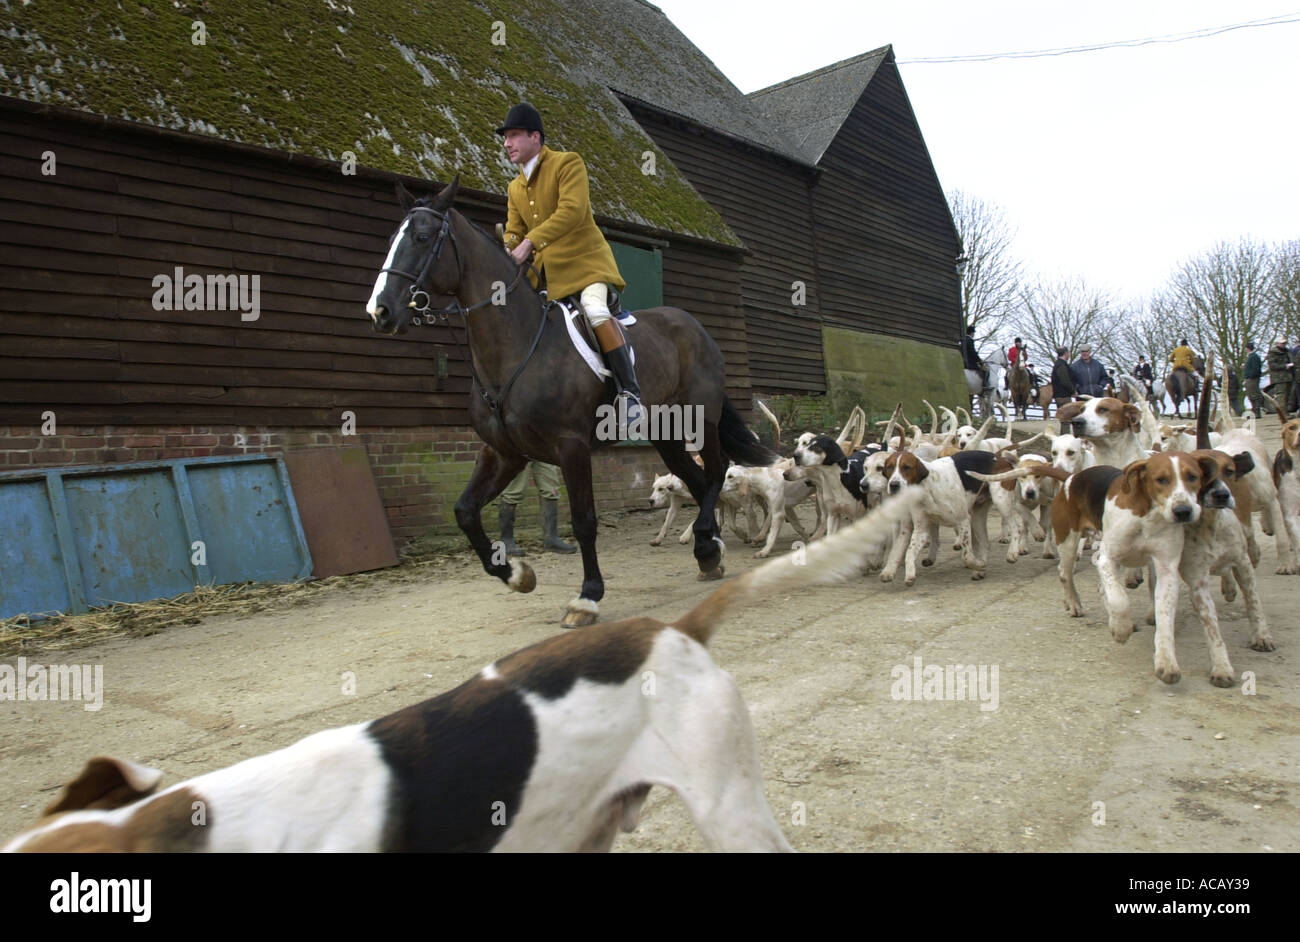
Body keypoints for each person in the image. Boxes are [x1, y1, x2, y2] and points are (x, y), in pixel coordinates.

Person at [497, 102, 643, 431]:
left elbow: (572, 211)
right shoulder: (514, 187)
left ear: (536, 137)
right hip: (547, 277)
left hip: (587, 265)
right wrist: (508, 244)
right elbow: (513, 229)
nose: (507, 143)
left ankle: (630, 394)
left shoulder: (567, 163)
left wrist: (529, 243)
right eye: (505, 138)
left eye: (515, 135)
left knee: (594, 309)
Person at [497, 460, 576, 556]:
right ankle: (506, 540)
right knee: (514, 491)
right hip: (521, 450)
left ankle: (551, 539)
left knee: (551, 490)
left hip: (543, 448)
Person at [1268, 336, 1294, 417]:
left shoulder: (1287, 351)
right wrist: (1285, 366)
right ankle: (1283, 415)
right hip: (1279, 378)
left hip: (1288, 377)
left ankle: (1286, 413)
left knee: (1287, 396)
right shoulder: (1272, 353)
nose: (1284, 344)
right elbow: (1272, 366)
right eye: (1282, 343)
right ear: (1277, 343)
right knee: (1281, 397)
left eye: (1285, 343)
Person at [1051, 346, 1076, 416]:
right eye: (1068, 353)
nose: (1069, 354)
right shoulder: (1061, 365)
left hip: (1060, 395)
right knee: (1066, 418)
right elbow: (1065, 381)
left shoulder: (1058, 364)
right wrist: (1073, 391)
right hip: (1063, 396)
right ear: (1066, 353)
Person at [962, 324, 989, 390]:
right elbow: (973, 353)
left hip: (963, 360)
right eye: (973, 333)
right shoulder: (970, 340)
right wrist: (979, 360)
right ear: (971, 333)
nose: (974, 334)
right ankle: (985, 386)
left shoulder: (964, 339)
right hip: (970, 362)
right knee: (986, 370)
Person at [1243, 341, 1264, 418]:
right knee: (1251, 395)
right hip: (1250, 378)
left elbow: (1256, 369)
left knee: (1254, 395)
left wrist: (1250, 376)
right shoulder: (1251, 357)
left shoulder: (1254, 357)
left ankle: (1256, 413)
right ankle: (1254, 412)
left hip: (1252, 379)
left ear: (1247, 348)